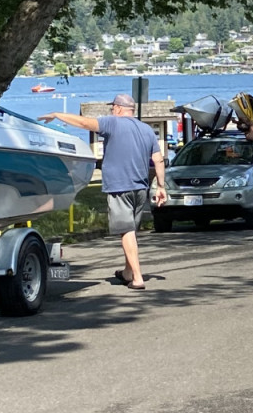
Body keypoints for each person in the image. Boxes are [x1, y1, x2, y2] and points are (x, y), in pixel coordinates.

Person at [40, 93, 165, 290]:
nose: (111, 111)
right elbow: (158, 159)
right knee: (130, 232)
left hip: (120, 187)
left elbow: (84, 123)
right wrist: (161, 186)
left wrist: (57, 114)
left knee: (126, 231)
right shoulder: (147, 129)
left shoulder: (112, 123)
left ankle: (137, 277)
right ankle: (128, 272)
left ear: (118, 108)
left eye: (112, 108)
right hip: (141, 188)